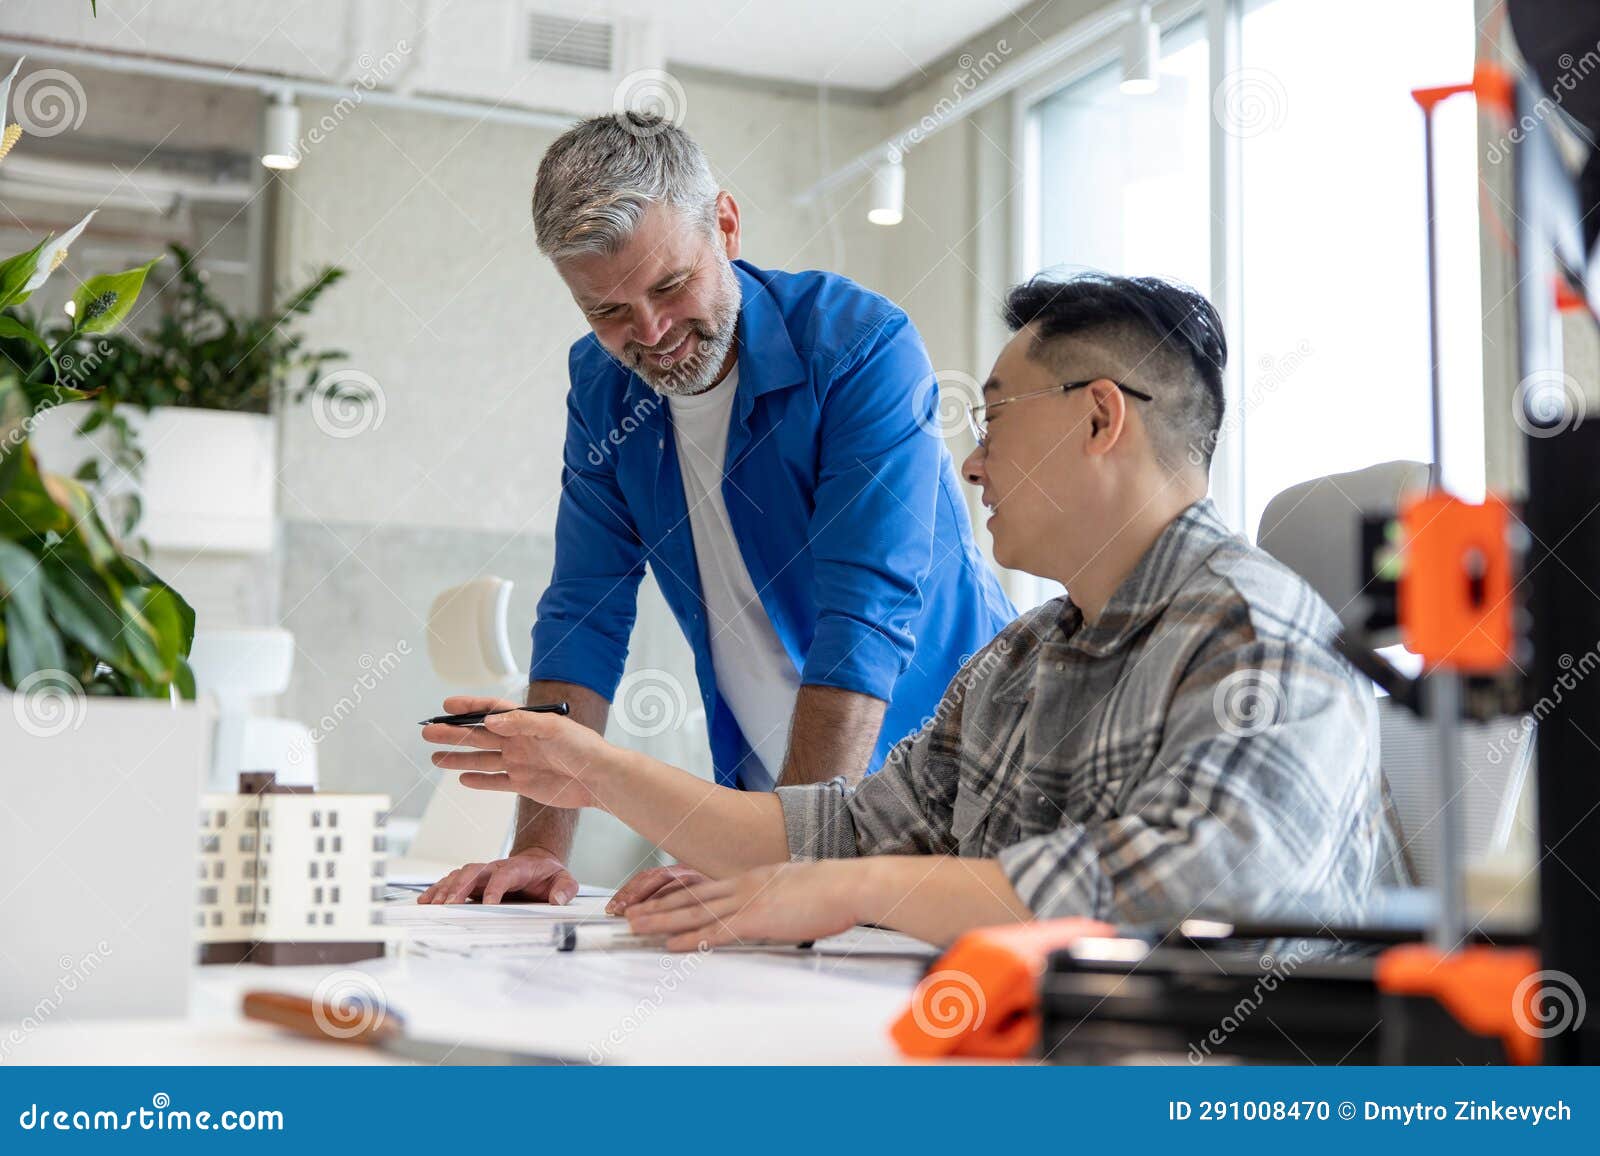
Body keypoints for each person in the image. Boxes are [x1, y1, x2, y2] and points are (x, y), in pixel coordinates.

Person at [424, 271, 1408, 944]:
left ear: (1101, 415)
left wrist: (840, 891)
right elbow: (841, 831)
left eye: (994, 421)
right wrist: (592, 769)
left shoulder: (1260, 634)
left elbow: (1186, 890)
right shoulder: (1020, 659)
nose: (971, 463)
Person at [419, 112, 1013, 907]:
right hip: (776, 809)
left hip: (952, 795)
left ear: (725, 226)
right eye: (608, 312)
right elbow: (583, 612)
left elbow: (862, 621)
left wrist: (788, 867)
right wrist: (536, 849)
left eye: (669, 286)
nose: (653, 334)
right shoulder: (604, 389)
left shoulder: (857, 348)